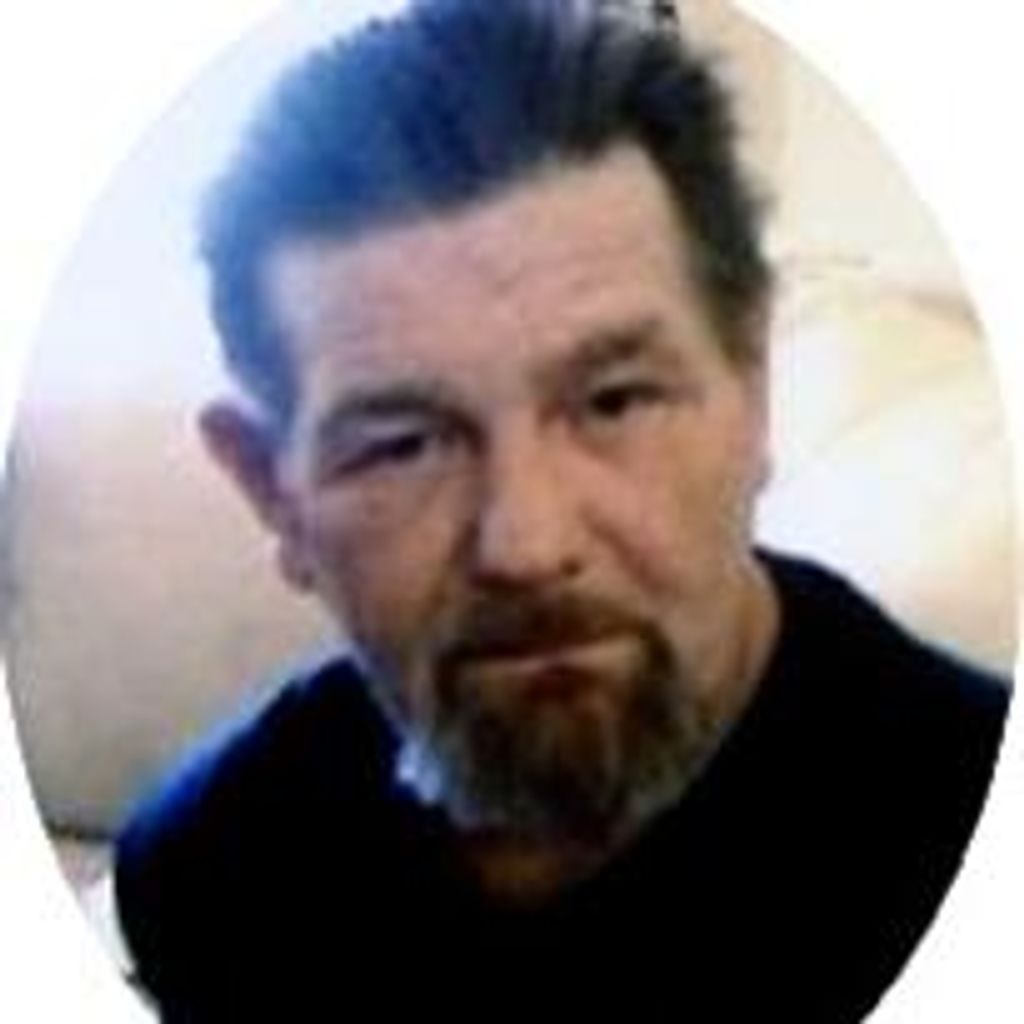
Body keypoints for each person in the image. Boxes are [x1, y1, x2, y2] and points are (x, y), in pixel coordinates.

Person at [114, 1, 1008, 1020]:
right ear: (272, 493)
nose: (527, 545)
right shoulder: (209, 877)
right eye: (402, 444)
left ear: (753, 389)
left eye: (614, 401)